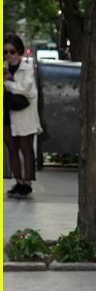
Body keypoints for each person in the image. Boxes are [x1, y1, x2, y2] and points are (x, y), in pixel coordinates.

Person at [4, 34, 40, 198]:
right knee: (12, 150)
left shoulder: (27, 69)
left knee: (26, 150)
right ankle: (18, 181)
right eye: (5, 52)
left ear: (19, 52)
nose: (8, 55)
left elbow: (26, 89)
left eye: (12, 51)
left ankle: (27, 183)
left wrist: (8, 83)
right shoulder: (3, 68)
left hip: (24, 116)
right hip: (7, 116)